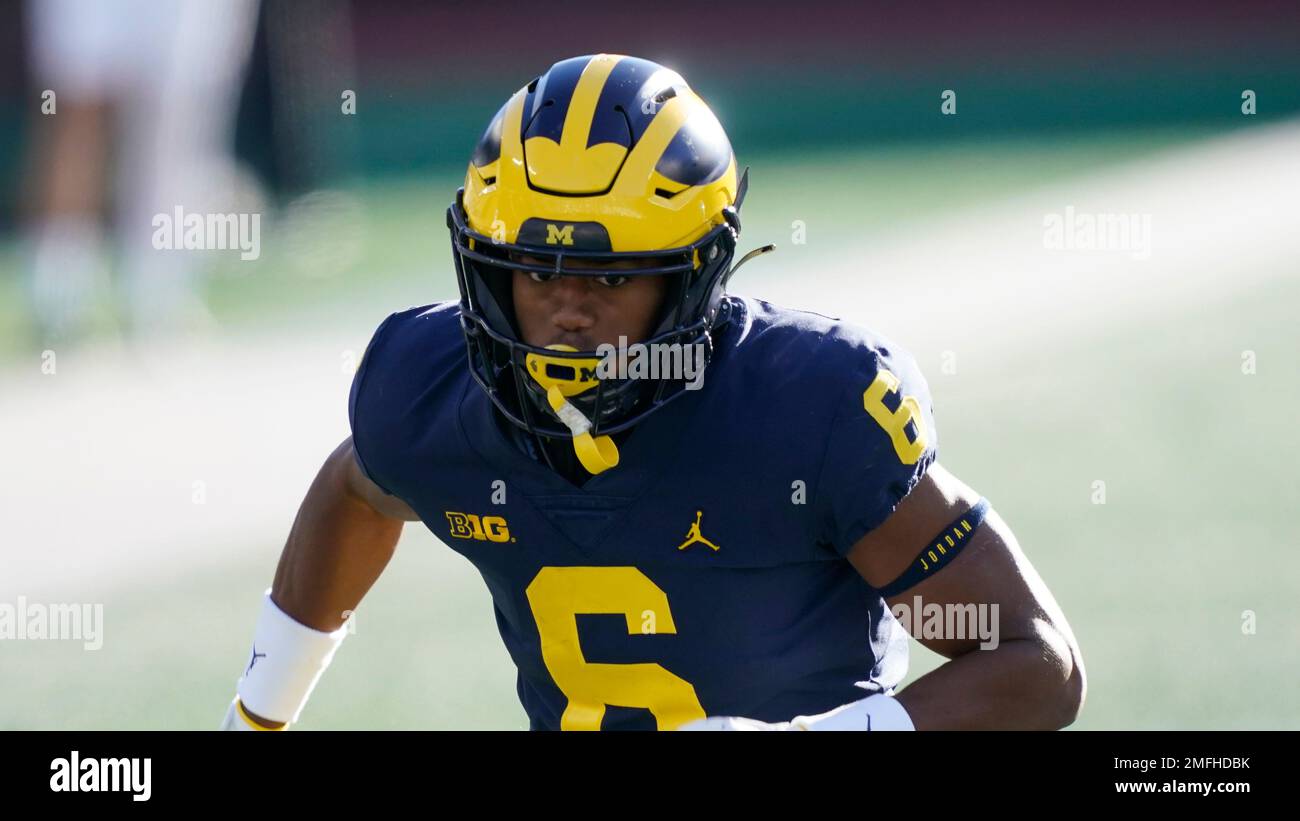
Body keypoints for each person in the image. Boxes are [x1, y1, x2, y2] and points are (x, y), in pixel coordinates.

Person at [220, 54, 1085, 731]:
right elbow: (358, 488)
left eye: (612, 276)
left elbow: (1037, 663)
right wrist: (260, 710)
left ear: (693, 278)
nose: (568, 311)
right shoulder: (428, 391)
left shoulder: (808, 407)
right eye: (535, 268)